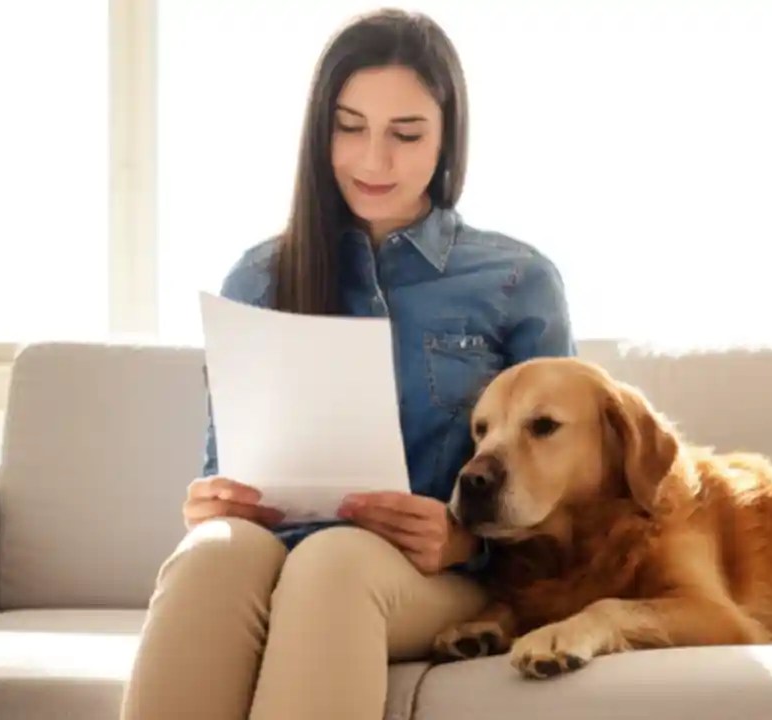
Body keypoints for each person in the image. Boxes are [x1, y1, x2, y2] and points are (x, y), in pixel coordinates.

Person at [120, 8, 574, 719]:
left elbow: (566, 495)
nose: (373, 161)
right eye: (349, 126)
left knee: (333, 565)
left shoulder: (517, 280)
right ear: (319, 131)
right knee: (211, 553)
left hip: (439, 575)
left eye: (406, 133)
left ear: (448, 135)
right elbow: (227, 466)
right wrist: (211, 503)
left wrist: (458, 538)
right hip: (277, 553)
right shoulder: (260, 277)